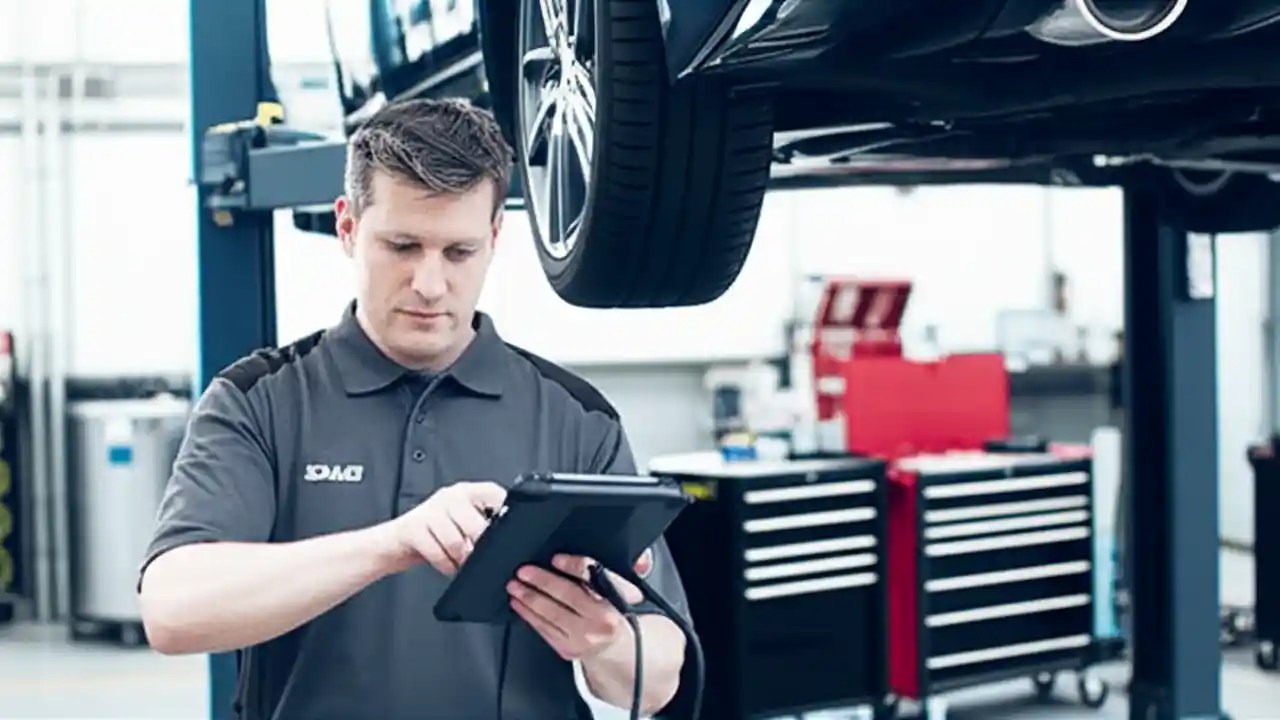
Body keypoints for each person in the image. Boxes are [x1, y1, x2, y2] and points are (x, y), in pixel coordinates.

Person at [137, 98, 694, 720]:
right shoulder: (258, 402)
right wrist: (393, 543)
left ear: (493, 240)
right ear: (347, 228)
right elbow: (172, 612)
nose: (430, 284)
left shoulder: (575, 419)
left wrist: (609, 644)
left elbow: (658, 678)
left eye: (458, 253)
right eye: (402, 246)